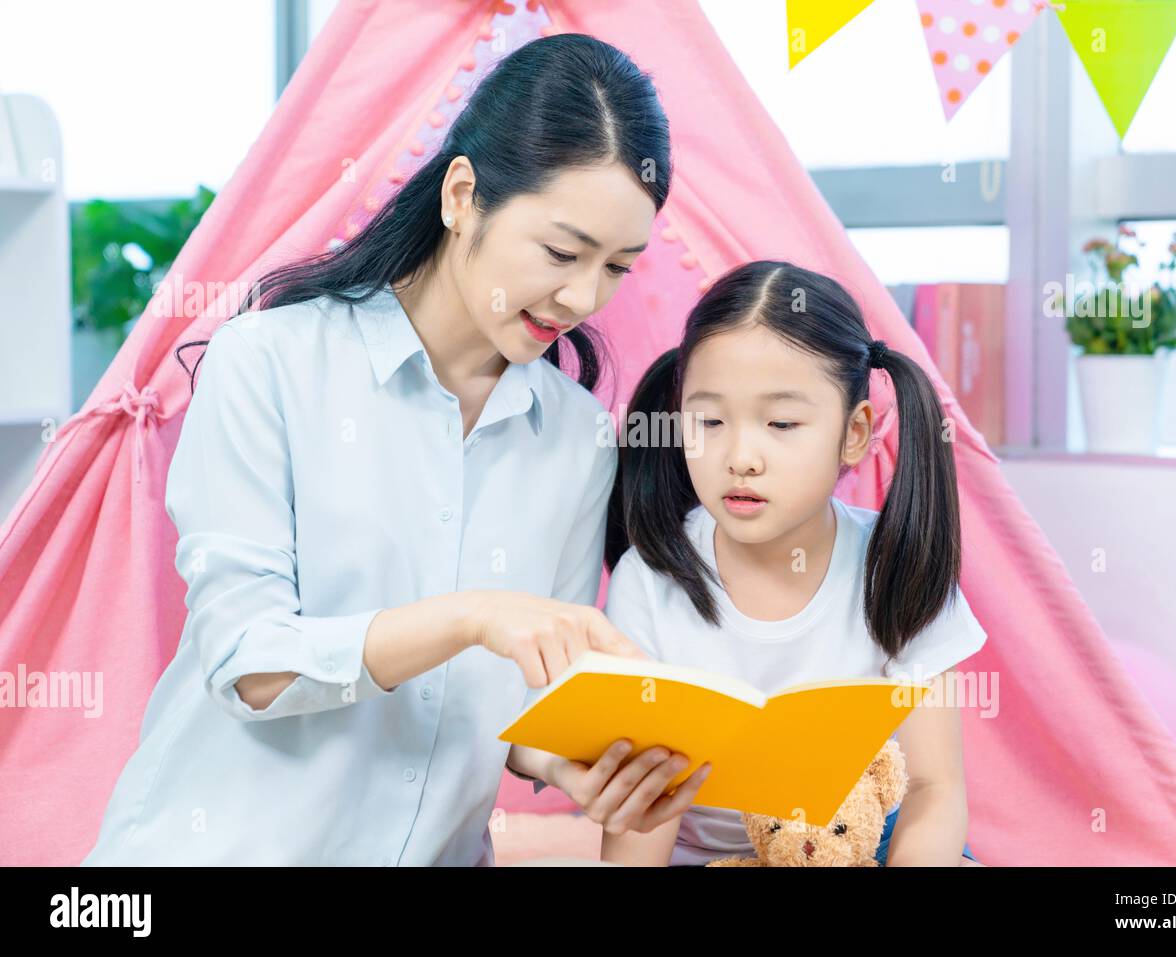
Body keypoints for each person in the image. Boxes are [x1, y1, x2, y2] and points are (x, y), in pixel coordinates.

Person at [81, 33, 708, 868]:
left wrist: (576, 768)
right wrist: (474, 615)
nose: (581, 296)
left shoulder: (575, 437)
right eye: (561, 252)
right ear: (462, 195)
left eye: (616, 267)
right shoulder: (269, 363)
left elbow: (516, 707)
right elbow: (250, 663)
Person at [597, 261, 988, 866]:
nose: (741, 457)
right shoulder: (650, 582)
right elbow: (643, 810)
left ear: (854, 433)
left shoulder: (898, 568)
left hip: (858, 849)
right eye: (709, 421)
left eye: (781, 423)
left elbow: (933, 789)